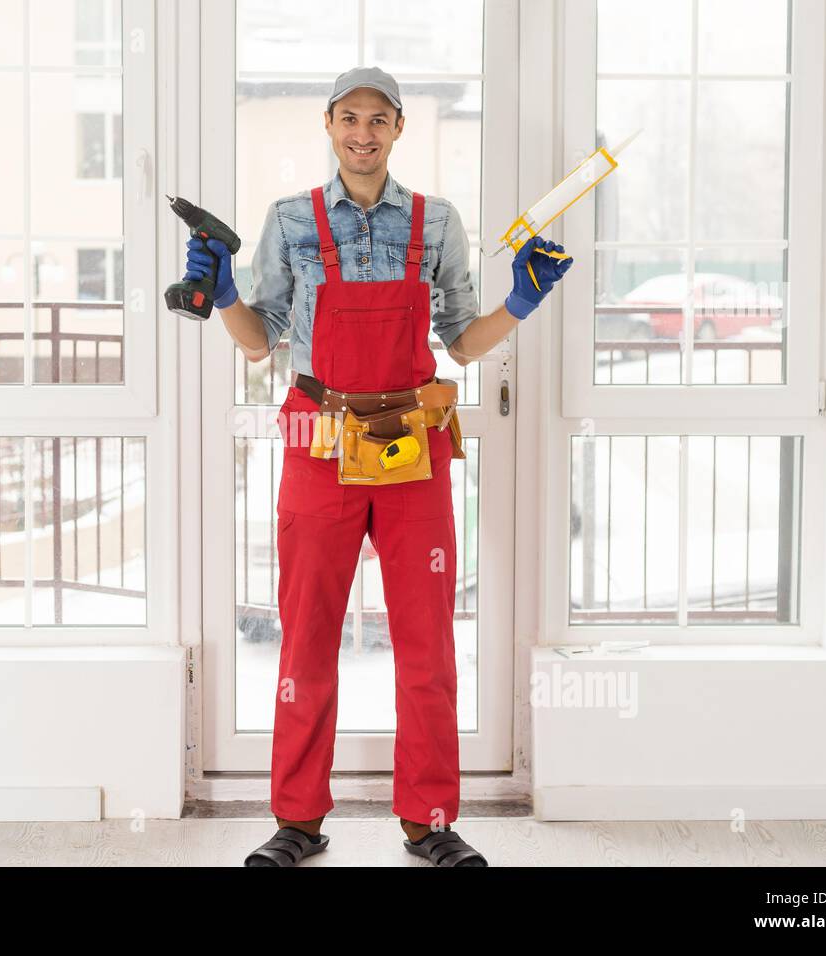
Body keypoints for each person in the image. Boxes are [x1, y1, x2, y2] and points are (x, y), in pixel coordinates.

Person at [183, 66, 573, 867]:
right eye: (350, 118)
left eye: (380, 120)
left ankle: (430, 820)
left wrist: (521, 303)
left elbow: (461, 342)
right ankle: (296, 820)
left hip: (409, 442)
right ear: (328, 125)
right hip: (316, 439)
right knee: (307, 639)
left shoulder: (437, 223)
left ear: (400, 130)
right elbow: (260, 341)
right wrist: (225, 292)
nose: (364, 133)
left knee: (426, 643)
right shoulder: (290, 219)